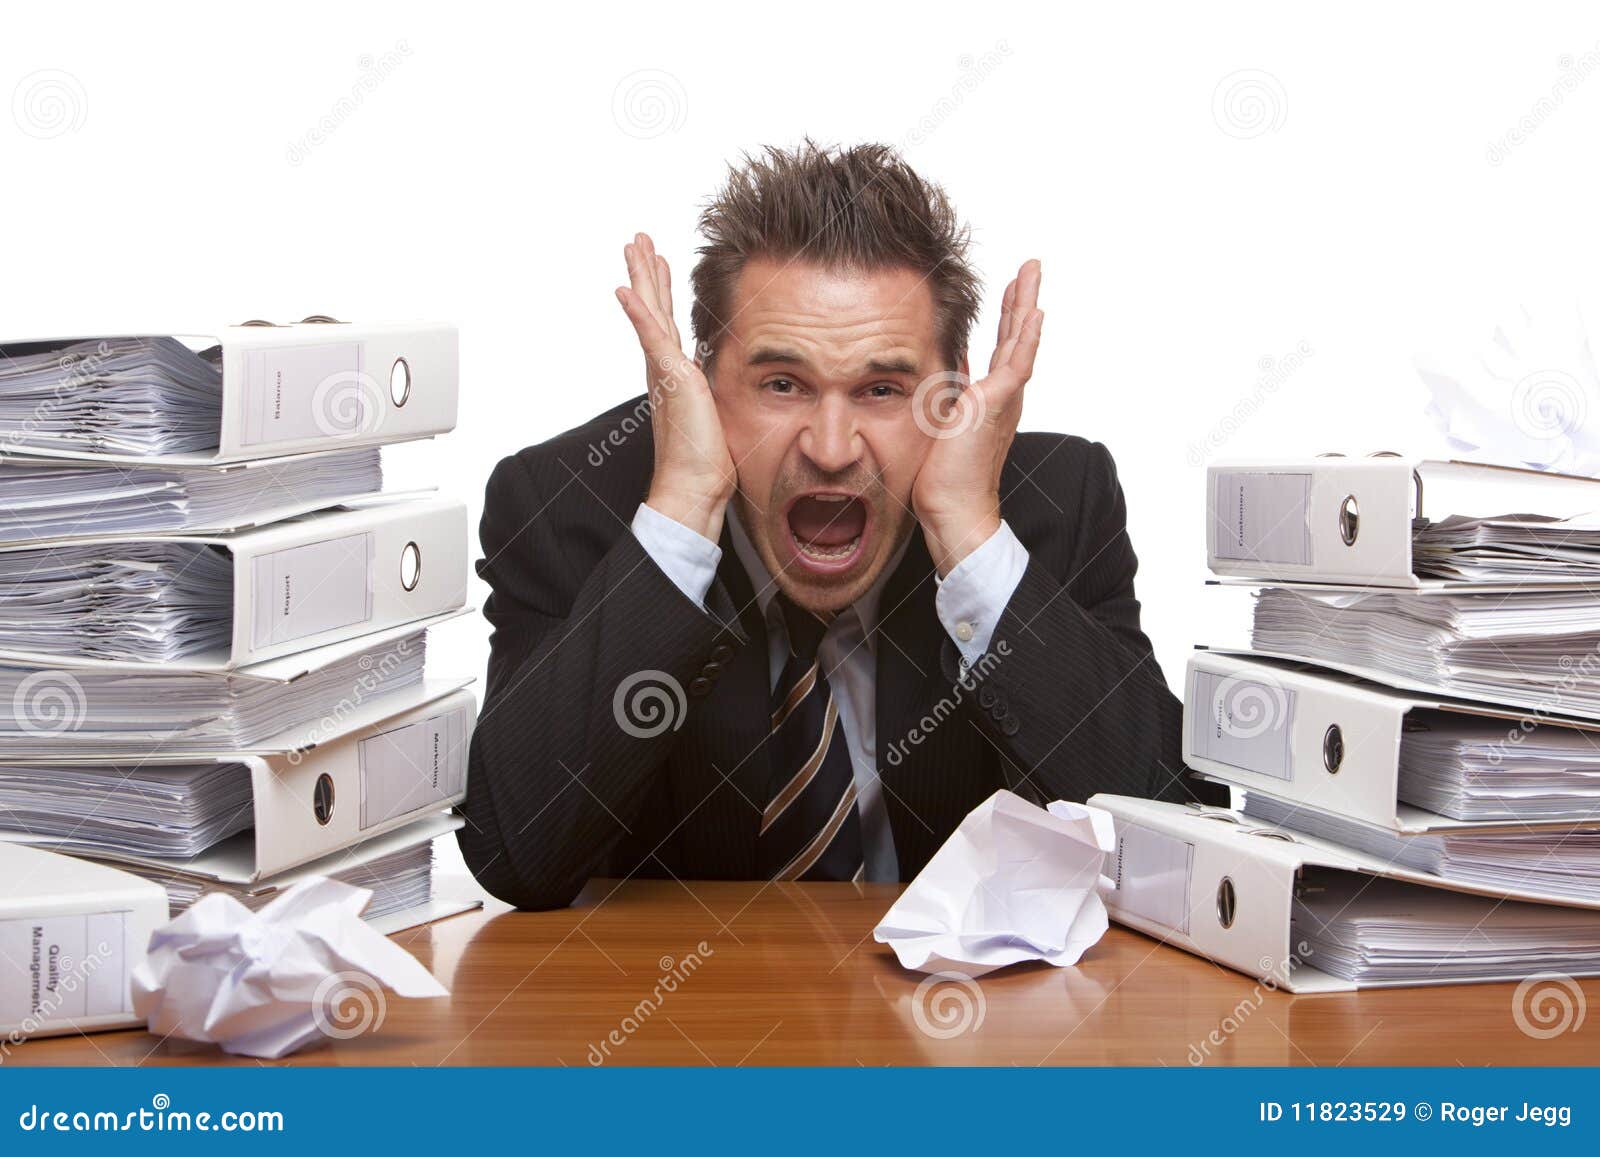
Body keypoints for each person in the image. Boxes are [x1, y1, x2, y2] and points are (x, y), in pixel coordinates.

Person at [461, 141, 1217, 909]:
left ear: (954, 400)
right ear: (699, 386)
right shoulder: (568, 509)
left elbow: (1179, 846)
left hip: (965, 1022)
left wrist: (970, 537)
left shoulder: (1050, 507)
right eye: (781, 383)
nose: (830, 448)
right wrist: (683, 508)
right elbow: (516, 856)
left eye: (884, 388)